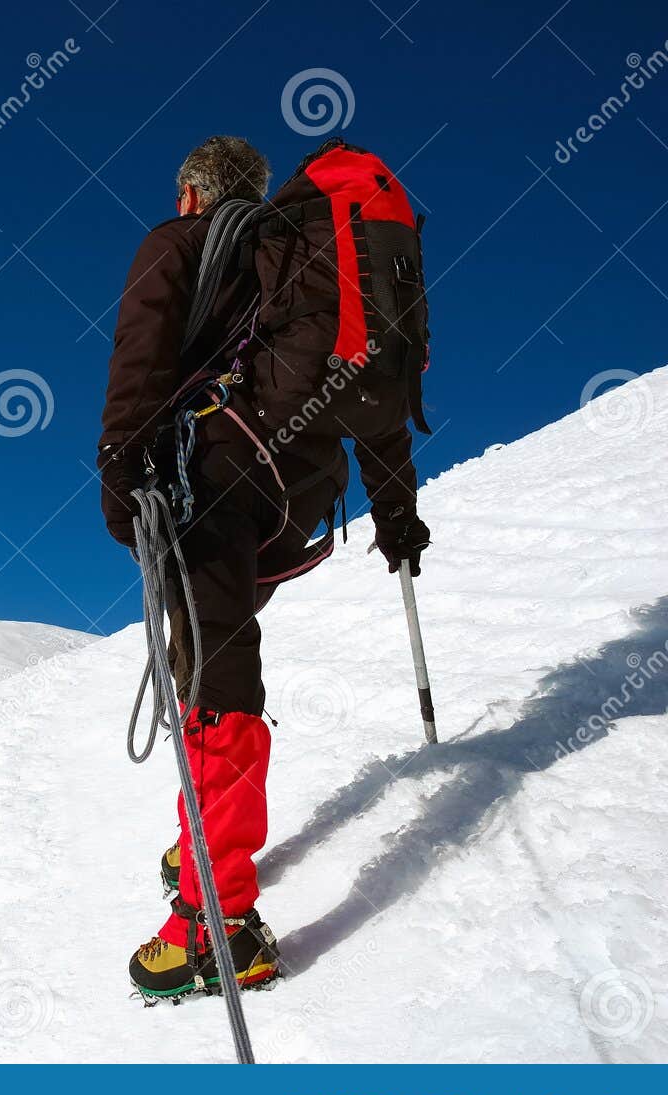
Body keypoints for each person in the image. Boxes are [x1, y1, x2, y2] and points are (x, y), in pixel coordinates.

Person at [98, 136, 431, 999]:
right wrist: (397, 517)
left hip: (214, 479)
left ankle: (221, 922)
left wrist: (119, 477)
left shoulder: (181, 243)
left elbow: (138, 361)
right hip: (296, 496)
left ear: (188, 194)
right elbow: (376, 408)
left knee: (215, 681)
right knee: (214, 658)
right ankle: (206, 834)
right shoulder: (310, 264)